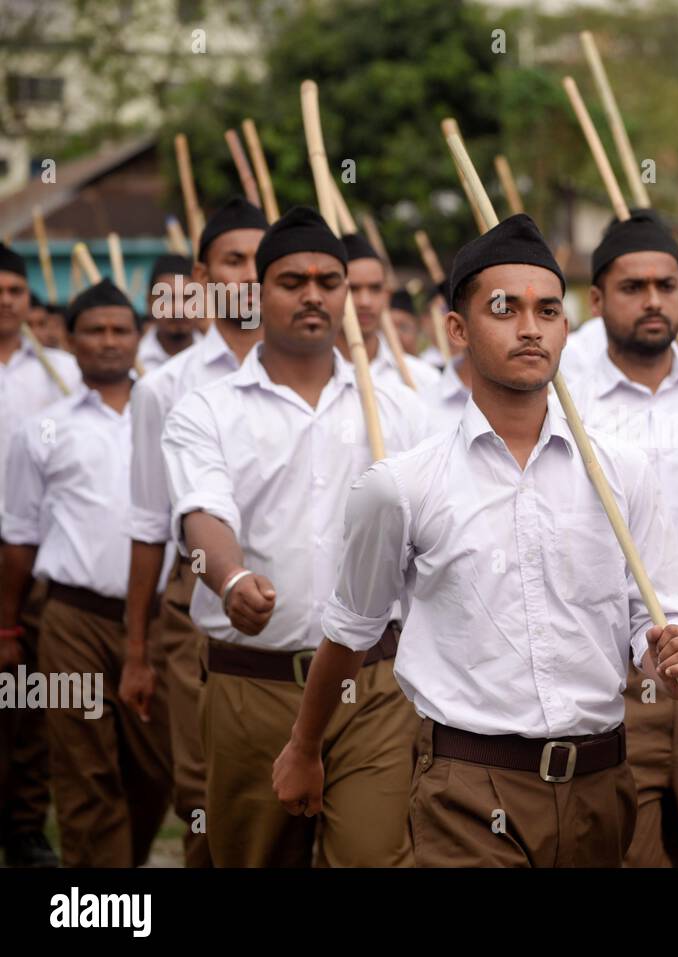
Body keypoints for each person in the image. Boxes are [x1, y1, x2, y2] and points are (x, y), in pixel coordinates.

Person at [272, 213, 678, 868]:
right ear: (457, 329)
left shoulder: (621, 471)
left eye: (548, 310)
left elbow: (653, 617)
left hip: (601, 783)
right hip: (469, 790)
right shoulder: (401, 486)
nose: (530, 327)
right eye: (505, 309)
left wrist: (670, 648)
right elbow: (350, 632)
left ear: (567, 326)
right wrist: (304, 746)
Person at [161, 206, 428, 867]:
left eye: (328, 280)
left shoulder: (401, 408)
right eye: (292, 280)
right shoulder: (207, 408)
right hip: (256, 684)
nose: (313, 294)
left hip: (375, 687)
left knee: (373, 856)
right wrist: (229, 578)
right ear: (257, 292)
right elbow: (202, 515)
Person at [569, 210, 678, 867]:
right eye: (633, 286)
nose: (653, 301)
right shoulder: (571, 410)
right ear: (595, 301)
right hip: (615, 677)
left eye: (667, 285)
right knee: (628, 849)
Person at [1, 280, 171, 866]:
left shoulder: (173, 417)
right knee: (83, 772)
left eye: (120, 330)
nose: (108, 342)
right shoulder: (43, 429)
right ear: (69, 342)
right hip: (72, 619)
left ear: (138, 337)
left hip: (155, 622)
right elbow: (19, 533)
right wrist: (9, 629)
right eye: (94, 331)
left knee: (156, 769)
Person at [119, 196, 268, 868]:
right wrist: (137, 649)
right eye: (233, 260)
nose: (250, 275)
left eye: (263, 261)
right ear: (203, 278)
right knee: (208, 790)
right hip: (196, 608)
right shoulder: (164, 388)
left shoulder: (323, 375)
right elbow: (151, 524)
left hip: (307, 601)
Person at [0, 242, 78, 867]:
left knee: (27, 698)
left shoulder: (62, 372)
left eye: (15, 292)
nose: (7, 301)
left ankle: (25, 828)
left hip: (36, 554)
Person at [339, 233, 440, 396]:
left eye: (375, 288)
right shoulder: (313, 377)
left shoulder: (424, 378)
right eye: (353, 289)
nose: (365, 302)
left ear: (387, 295)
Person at [138, 254, 199, 373]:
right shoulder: (133, 364)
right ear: (149, 302)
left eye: (188, 298)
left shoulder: (224, 362)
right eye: (167, 298)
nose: (179, 309)